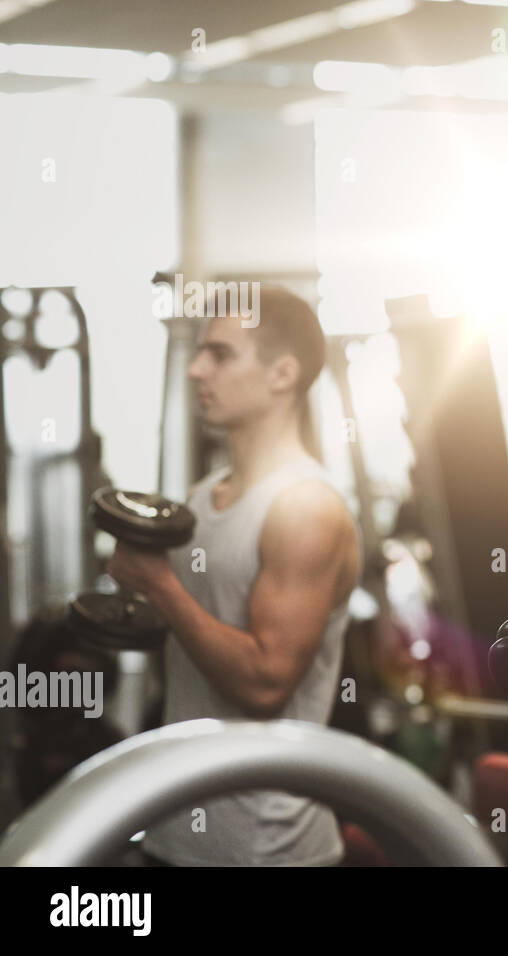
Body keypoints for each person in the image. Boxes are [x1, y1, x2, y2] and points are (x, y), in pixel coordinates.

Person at [109, 286, 360, 866]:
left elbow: (266, 683)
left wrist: (160, 585)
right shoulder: (202, 497)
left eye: (220, 355)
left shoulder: (304, 507)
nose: (198, 369)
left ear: (282, 374)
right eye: (200, 353)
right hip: (174, 831)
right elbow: (191, 639)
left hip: (264, 851)